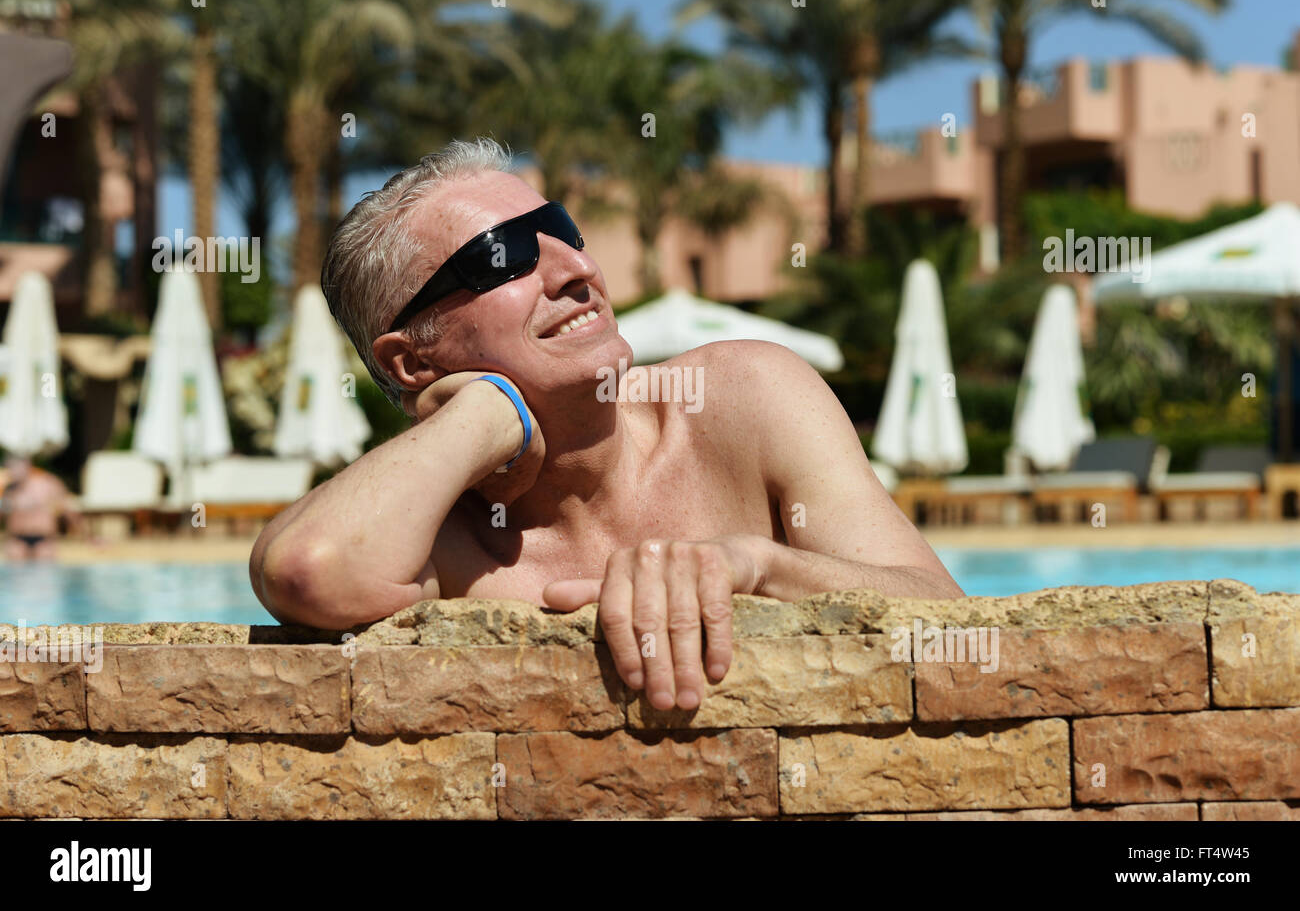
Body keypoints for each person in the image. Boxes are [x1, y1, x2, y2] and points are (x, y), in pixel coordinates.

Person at [251, 137, 964, 712]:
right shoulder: (427, 535)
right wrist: (481, 415)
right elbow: (310, 571)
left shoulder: (746, 397)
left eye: (559, 230)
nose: (577, 267)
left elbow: (954, 619)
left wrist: (754, 564)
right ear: (410, 361)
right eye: (505, 256)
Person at [1, 456, 75, 561]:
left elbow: (68, 510)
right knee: (15, 568)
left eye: (15, 466)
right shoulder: (8, 489)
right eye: (10, 467)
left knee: (44, 567)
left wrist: (85, 536)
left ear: (27, 465)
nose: (12, 471)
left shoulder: (48, 483)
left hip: (44, 539)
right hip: (17, 539)